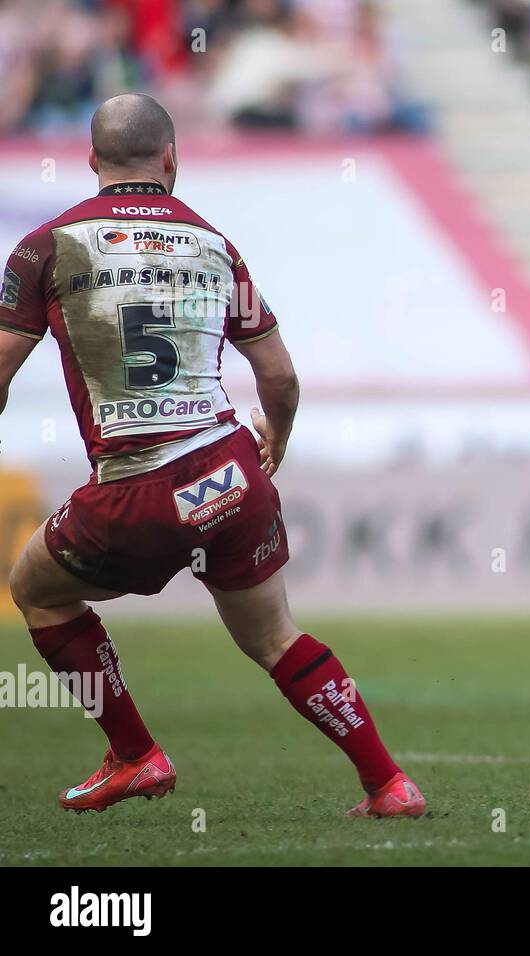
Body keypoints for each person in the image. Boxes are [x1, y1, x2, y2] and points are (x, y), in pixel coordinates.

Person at [0, 93, 424, 817]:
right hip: (231, 474)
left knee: (36, 589)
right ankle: (389, 784)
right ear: (171, 158)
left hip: (134, 487)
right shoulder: (214, 244)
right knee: (274, 637)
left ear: (92, 159)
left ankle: (136, 755)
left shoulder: (45, 247)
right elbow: (280, 377)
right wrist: (274, 447)